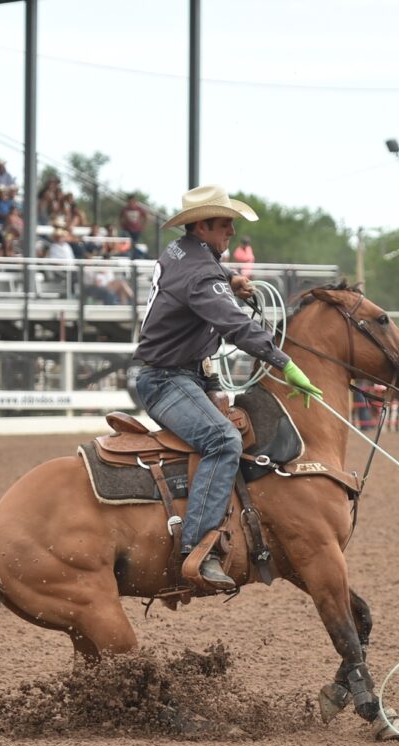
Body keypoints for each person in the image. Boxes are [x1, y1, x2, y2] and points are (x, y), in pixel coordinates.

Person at [132, 184, 321, 590]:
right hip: (167, 380)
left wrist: (230, 279)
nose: (231, 233)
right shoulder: (201, 271)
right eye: (224, 225)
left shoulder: (183, 253)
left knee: (236, 431)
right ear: (202, 226)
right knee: (223, 440)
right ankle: (197, 549)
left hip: (183, 373)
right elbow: (233, 325)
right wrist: (283, 361)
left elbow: (201, 279)